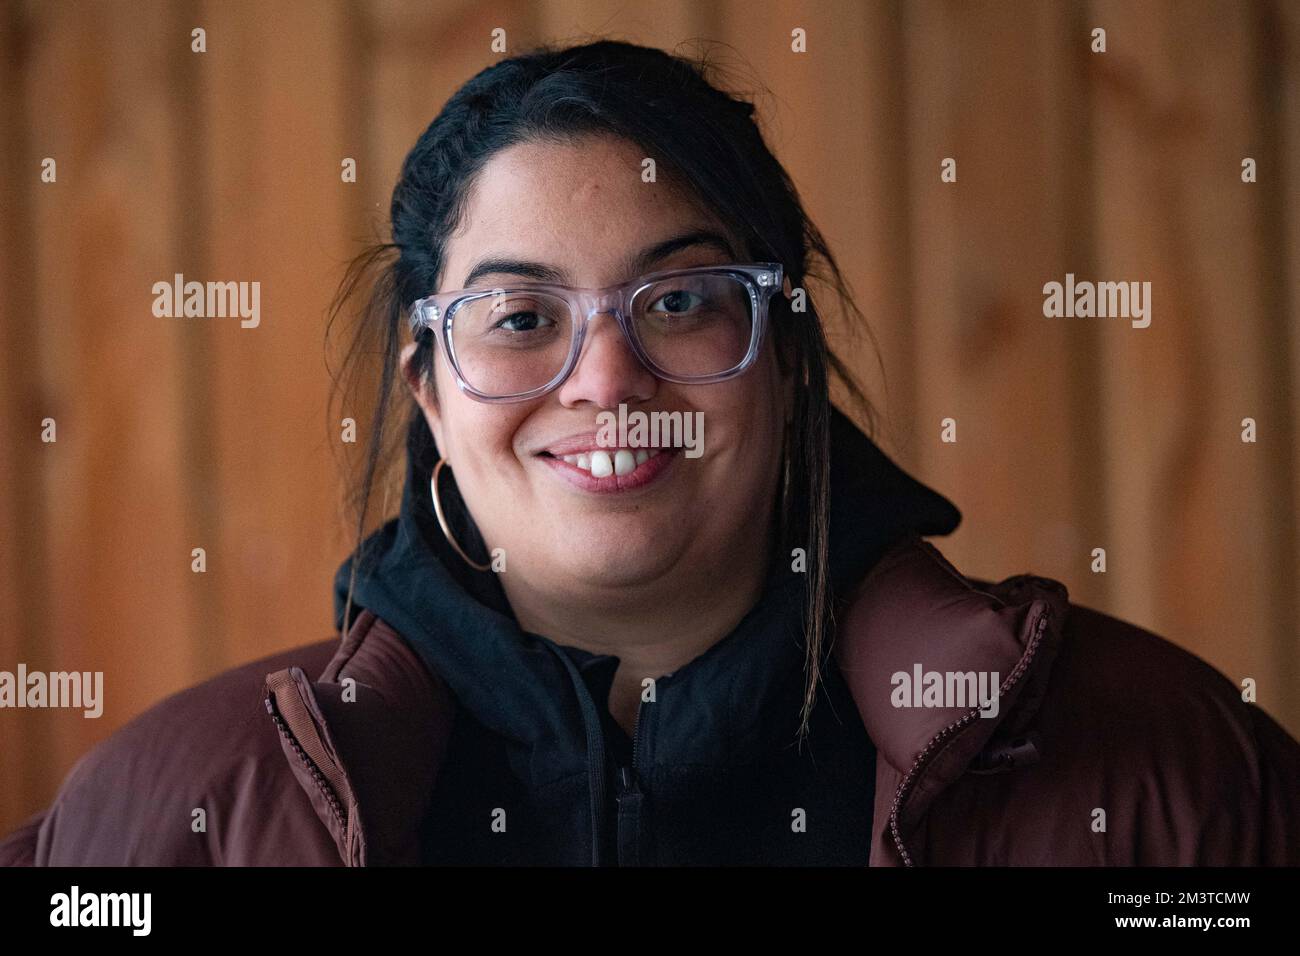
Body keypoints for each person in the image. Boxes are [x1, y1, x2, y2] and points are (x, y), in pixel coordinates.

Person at [3, 39, 1298, 867]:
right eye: (519, 320)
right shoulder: (162, 828)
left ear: (783, 359)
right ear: (430, 395)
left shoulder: (1161, 775)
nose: (607, 380)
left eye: (680, 301)